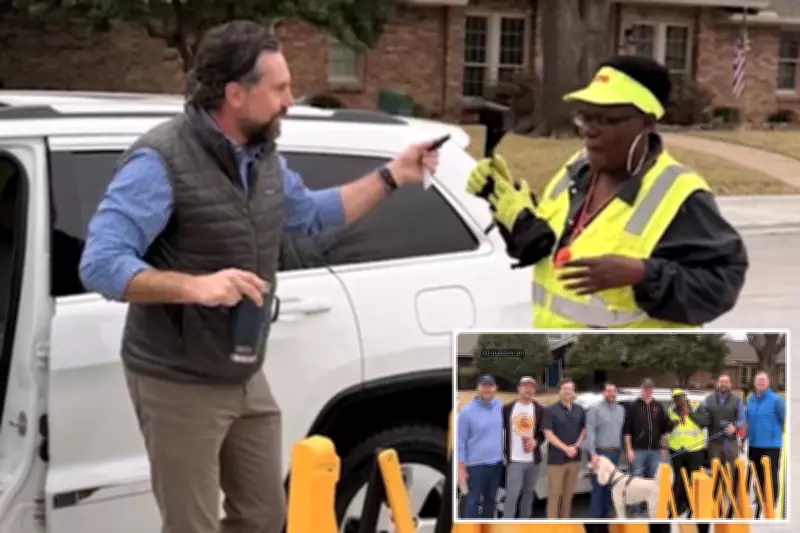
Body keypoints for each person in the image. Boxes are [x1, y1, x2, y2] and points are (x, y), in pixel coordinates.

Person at [78, 21, 440, 533]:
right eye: (280, 88)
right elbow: (101, 261)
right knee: (192, 526)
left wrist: (391, 177)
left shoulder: (263, 158)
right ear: (235, 93)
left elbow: (312, 214)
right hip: (177, 380)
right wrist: (195, 286)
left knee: (265, 518)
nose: (291, 99)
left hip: (245, 372)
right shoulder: (159, 161)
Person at [466, 55, 748, 329]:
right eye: (585, 117)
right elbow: (554, 251)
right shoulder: (575, 170)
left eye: (607, 120)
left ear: (646, 122)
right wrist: (516, 216)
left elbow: (721, 283)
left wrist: (641, 274)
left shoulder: (679, 194)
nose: (590, 130)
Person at [456, 374, 504, 519]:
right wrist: (460, 468)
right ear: (477, 388)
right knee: (473, 501)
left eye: (490, 386)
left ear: (495, 388)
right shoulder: (466, 412)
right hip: (475, 466)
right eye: (483, 386)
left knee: (490, 500)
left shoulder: (499, 406)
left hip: (496, 464)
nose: (487, 389)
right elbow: (460, 441)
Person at [622, 378, 670, 518]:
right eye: (645, 388)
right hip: (638, 450)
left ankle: (649, 506)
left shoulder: (658, 406)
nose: (647, 390)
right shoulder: (633, 406)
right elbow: (627, 430)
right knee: (637, 481)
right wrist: (629, 449)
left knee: (652, 481)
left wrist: (662, 447)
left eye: (650, 388)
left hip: (655, 451)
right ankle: (636, 510)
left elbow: (663, 429)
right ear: (641, 389)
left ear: (652, 390)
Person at [501, 376, 545, 519]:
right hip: (514, 460)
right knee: (512, 495)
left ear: (534, 390)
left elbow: (543, 434)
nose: (528, 389)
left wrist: (536, 441)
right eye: (525, 386)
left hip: (533, 461)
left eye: (531, 386)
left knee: (528, 495)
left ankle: (524, 523)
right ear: (518, 388)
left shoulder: (540, 410)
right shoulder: (507, 409)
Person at [542, 378, 586, 519]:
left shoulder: (580, 410)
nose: (568, 391)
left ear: (574, 392)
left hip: (575, 459)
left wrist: (576, 446)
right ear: (559, 391)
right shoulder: (550, 410)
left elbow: (584, 430)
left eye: (570, 389)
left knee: (568, 496)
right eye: (565, 389)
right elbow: (548, 434)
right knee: (555, 495)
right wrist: (566, 448)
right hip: (556, 460)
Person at [746, 371, 785, 517]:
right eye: (758, 381)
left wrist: (772, 432)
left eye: (763, 381)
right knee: (756, 473)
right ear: (754, 383)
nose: (760, 383)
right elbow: (747, 419)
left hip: (771, 445)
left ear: (768, 382)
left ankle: (771, 501)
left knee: (771, 474)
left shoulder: (776, 400)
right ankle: (759, 496)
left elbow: (783, 419)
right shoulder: (750, 399)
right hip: (754, 443)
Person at [667, 388, 710, 521]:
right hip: (677, 449)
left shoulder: (697, 407)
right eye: (675, 398)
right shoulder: (671, 410)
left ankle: (694, 503)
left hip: (695, 450)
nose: (678, 400)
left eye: (680, 397)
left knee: (695, 477)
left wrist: (690, 413)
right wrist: (673, 423)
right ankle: (680, 504)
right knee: (679, 478)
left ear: (685, 397)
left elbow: (704, 423)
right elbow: (667, 428)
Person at [585, 382, 626, 519]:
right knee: (598, 487)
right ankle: (595, 518)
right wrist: (593, 454)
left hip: (615, 454)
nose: (611, 394)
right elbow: (590, 434)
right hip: (600, 453)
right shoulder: (594, 411)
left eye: (613, 391)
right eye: (608, 391)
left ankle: (608, 515)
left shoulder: (621, 410)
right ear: (603, 393)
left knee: (611, 486)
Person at [701, 374, 745, 466]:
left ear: (730, 385)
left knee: (730, 473)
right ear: (717, 384)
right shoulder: (708, 400)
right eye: (721, 382)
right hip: (714, 444)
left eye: (726, 382)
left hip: (731, 444)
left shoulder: (737, 400)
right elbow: (702, 417)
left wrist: (735, 427)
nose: (723, 384)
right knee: (715, 473)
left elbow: (742, 419)